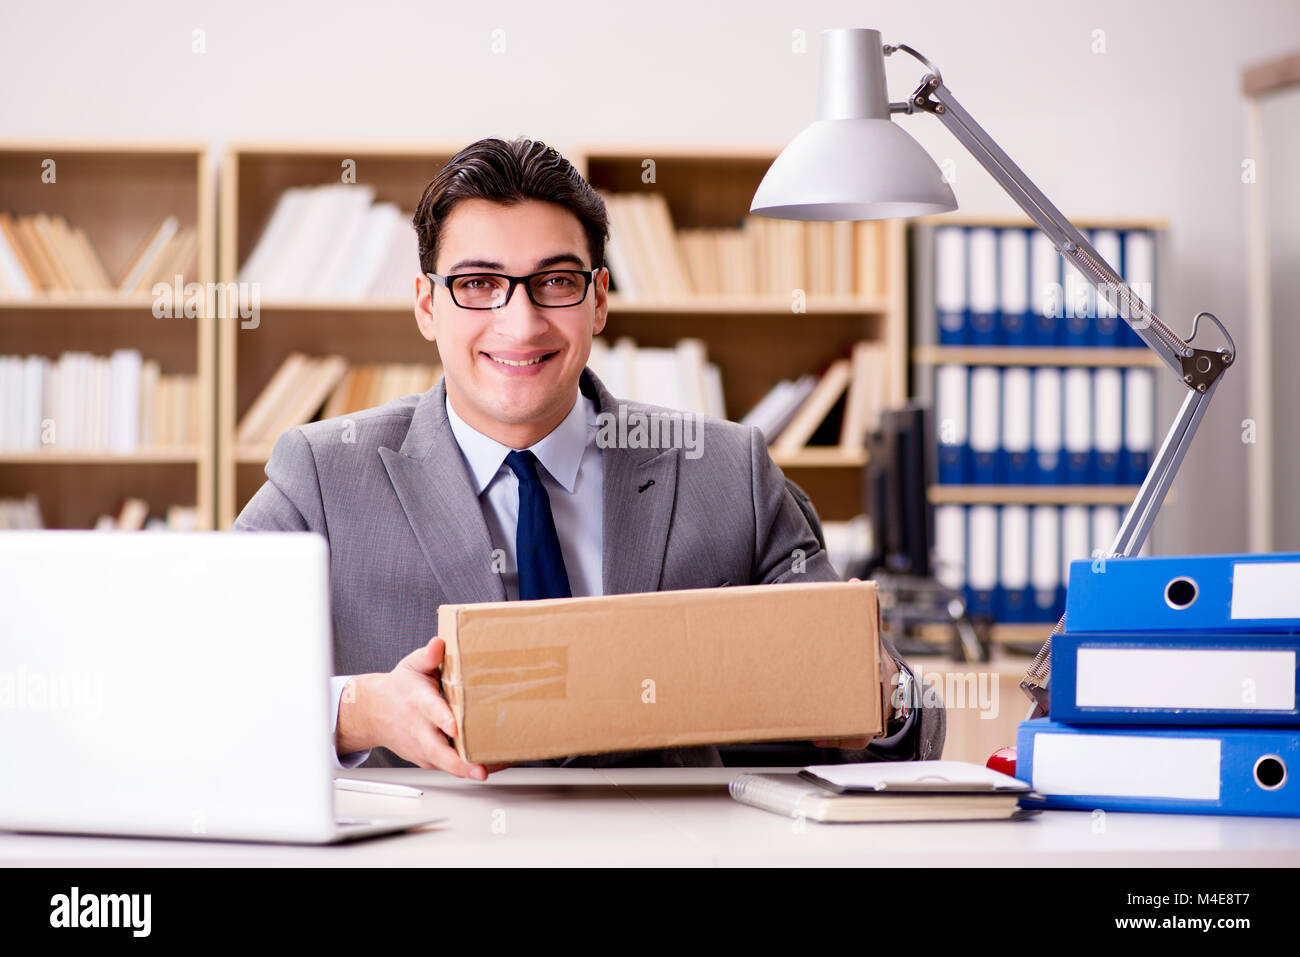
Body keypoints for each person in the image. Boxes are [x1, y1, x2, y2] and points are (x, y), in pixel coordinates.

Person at [234, 136, 944, 777]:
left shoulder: (730, 471)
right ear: (426, 304)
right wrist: (357, 709)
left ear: (599, 299)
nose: (521, 321)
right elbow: (193, 679)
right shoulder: (324, 476)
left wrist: (879, 695)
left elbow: (896, 728)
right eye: (479, 284)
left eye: (556, 281)